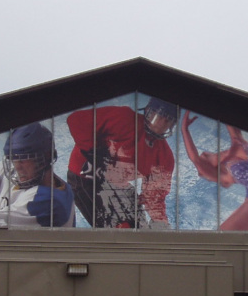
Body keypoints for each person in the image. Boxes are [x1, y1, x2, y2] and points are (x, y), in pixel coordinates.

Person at [65, 98, 176, 228]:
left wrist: (160, 223)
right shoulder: (124, 119)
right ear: (148, 111)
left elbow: (154, 196)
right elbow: (76, 120)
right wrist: (92, 150)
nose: (161, 124)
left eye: (168, 119)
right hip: (85, 178)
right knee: (122, 230)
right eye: (158, 115)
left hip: (116, 184)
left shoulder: (164, 158)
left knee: (142, 229)